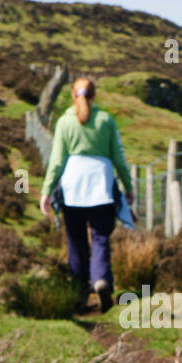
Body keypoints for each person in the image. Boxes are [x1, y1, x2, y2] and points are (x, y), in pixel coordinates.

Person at [40, 76, 133, 312]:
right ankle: (101, 279)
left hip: (72, 188)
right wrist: (128, 187)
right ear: (94, 95)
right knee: (101, 237)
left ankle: (80, 291)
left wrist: (46, 192)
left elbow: (56, 161)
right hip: (101, 185)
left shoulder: (64, 122)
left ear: (73, 95)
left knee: (76, 241)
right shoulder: (106, 120)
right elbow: (119, 159)